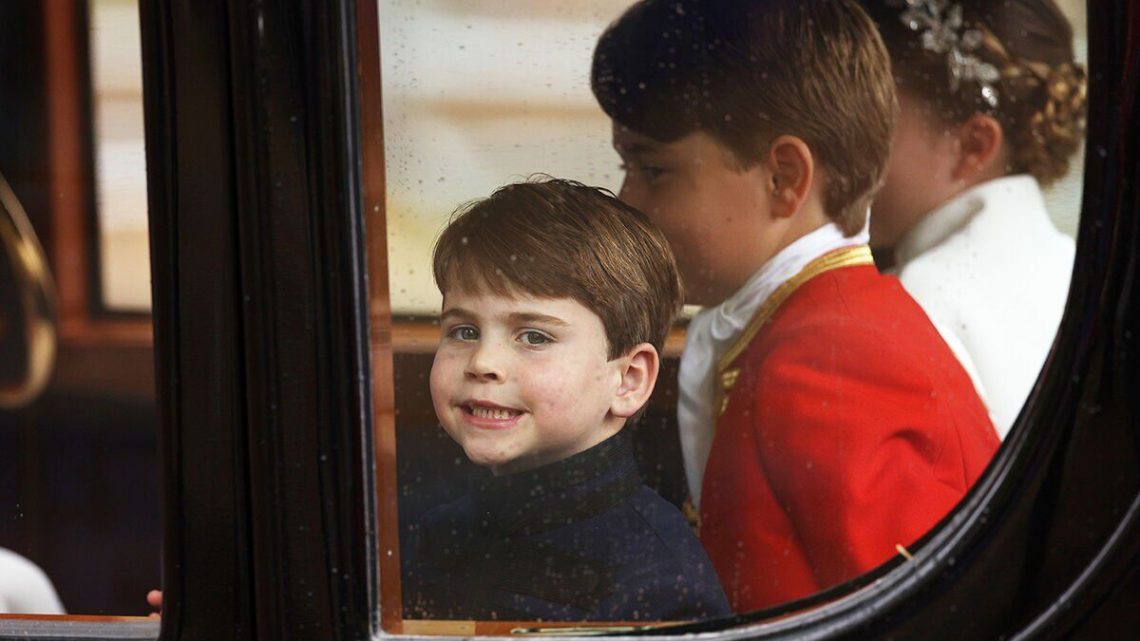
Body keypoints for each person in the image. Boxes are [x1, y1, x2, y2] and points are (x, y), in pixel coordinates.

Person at [592, 0, 999, 611]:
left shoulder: (831, 365)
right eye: (628, 167)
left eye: (653, 170)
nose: (627, 201)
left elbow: (916, 619)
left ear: (783, 178)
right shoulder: (807, 330)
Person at [401, 178, 730, 622]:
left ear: (628, 380)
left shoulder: (656, 583)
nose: (483, 361)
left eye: (534, 336)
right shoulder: (438, 533)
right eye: (464, 331)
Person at [858, 0, 1086, 438]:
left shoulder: (914, 304)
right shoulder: (1073, 266)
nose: (847, 148)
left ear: (973, 146)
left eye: (874, 120)